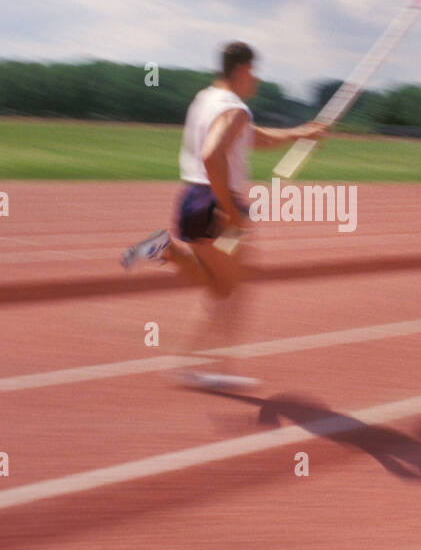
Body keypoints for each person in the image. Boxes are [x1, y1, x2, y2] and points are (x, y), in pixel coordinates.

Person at [121, 41, 324, 390]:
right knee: (229, 291)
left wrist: (299, 133)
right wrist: (231, 213)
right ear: (243, 70)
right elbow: (213, 154)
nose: (256, 79)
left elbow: (250, 138)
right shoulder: (236, 109)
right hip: (218, 205)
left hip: (192, 199)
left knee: (220, 287)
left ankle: (194, 364)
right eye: (254, 71)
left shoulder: (206, 99)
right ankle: (214, 367)